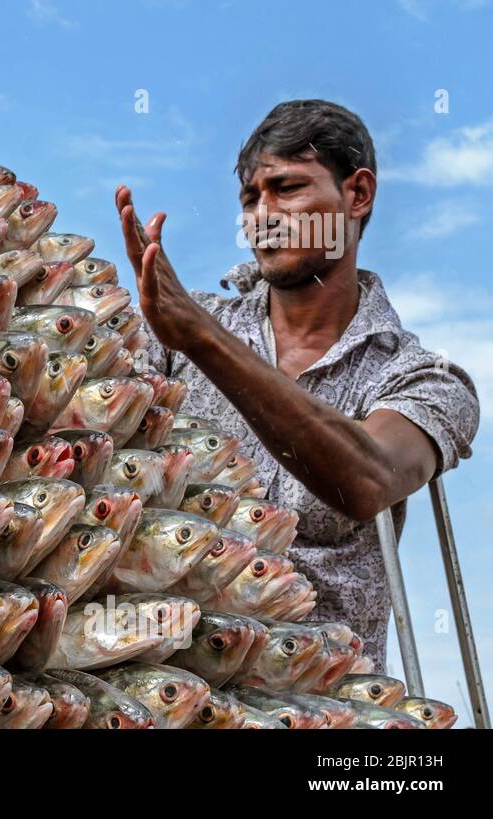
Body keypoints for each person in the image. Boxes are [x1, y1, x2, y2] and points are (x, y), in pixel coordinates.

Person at [115, 99, 479, 668]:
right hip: (173, 693)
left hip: (324, 701)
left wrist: (204, 340)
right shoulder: (169, 337)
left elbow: (369, 478)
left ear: (357, 195)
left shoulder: (423, 377)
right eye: (250, 198)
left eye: (287, 188)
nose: (264, 213)